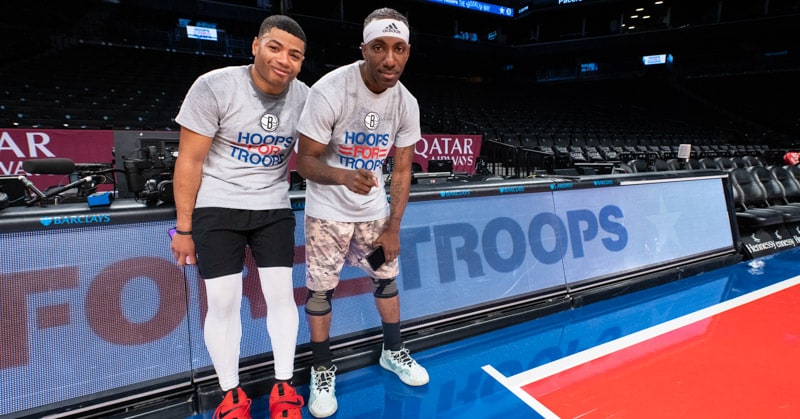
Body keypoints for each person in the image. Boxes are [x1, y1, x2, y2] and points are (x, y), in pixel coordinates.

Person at [170, 14, 309, 419]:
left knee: (282, 297)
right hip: (218, 207)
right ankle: (232, 395)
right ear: (255, 45)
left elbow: (319, 152)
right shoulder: (214, 85)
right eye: (275, 47)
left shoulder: (304, 97)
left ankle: (284, 386)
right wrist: (184, 227)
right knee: (223, 303)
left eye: (295, 55)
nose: (284, 60)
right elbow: (190, 162)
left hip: (273, 209)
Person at [295, 7, 429, 418]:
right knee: (321, 290)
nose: (390, 59)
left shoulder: (406, 103)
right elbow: (305, 161)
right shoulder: (331, 90)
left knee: (385, 279)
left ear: (407, 52)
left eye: (399, 49)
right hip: (328, 214)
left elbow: (403, 168)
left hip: (373, 214)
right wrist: (341, 176)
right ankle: (322, 368)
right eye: (379, 48)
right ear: (364, 49)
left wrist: (393, 226)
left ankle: (393, 351)